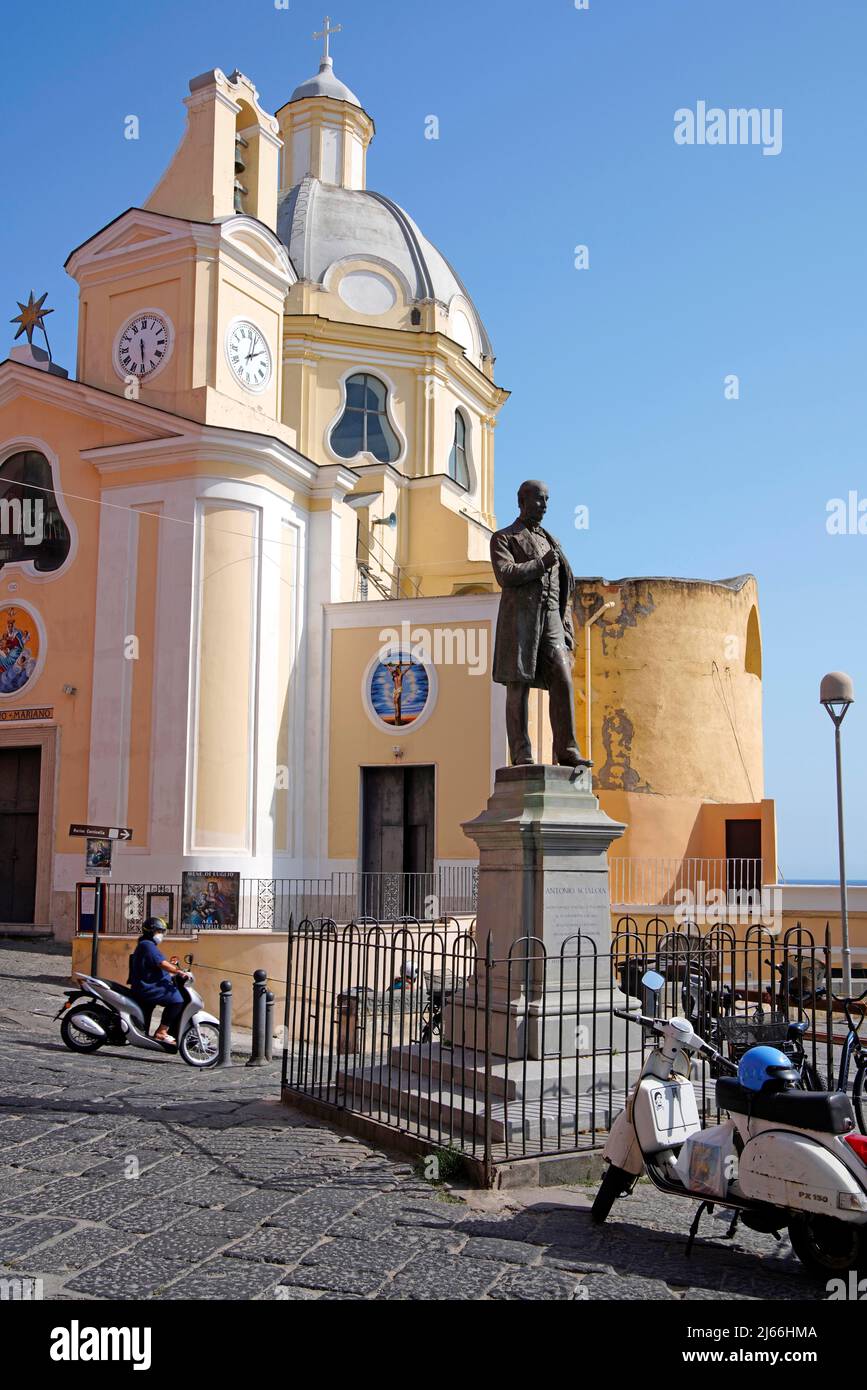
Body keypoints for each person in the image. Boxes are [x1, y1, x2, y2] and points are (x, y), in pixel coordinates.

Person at [490, 479, 588, 767]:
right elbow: (505, 574)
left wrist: (566, 628)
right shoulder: (504, 537)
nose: (544, 505)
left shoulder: (551, 540)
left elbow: (564, 588)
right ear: (522, 501)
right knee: (517, 687)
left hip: (552, 620)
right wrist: (541, 564)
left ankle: (567, 751)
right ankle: (521, 754)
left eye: (546, 500)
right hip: (520, 622)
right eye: (538, 499)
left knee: (563, 679)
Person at [128, 917, 189, 1044]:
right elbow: (161, 963)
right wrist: (177, 971)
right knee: (177, 1001)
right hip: (148, 986)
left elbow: (156, 964)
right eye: (159, 931)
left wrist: (172, 967)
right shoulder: (147, 945)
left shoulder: (147, 945)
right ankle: (161, 1032)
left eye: (162, 931)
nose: (161, 935)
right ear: (151, 931)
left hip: (149, 984)